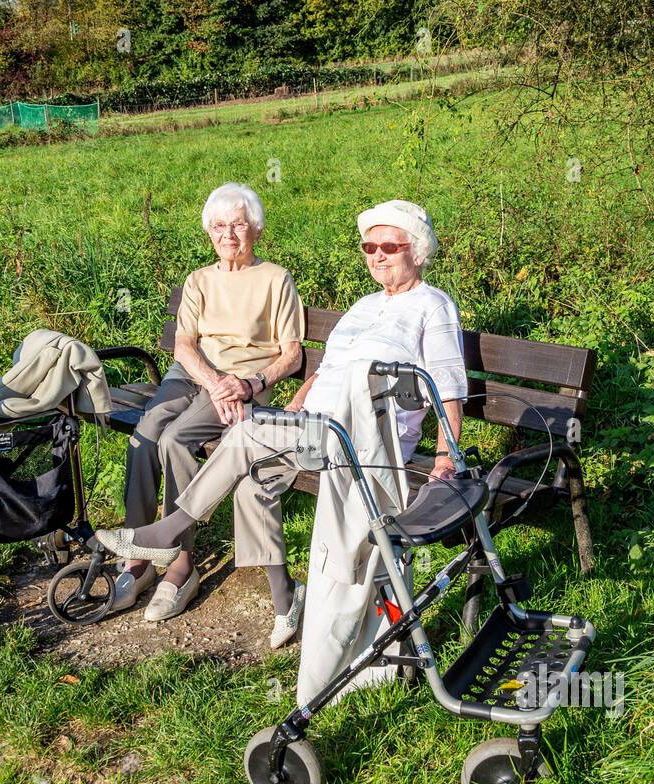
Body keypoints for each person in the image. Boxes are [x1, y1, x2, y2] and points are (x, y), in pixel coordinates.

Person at [97, 199, 467, 647]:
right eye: (369, 247)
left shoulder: (433, 306)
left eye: (389, 246)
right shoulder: (364, 306)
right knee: (254, 480)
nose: (377, 256)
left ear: (418, 251)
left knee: (246, 430)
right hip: (315, 426)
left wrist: (447, 455)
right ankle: (284, 598)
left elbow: (448, 385)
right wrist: (295, 405)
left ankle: (168, 532)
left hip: (364, 437)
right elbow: (324, 369)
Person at [111, 182, 305, 623]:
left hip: (243, 384)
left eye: (237, 224)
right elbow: (182, 346)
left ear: (255, 227)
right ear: (208, 232)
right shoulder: (199, 280)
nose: (228, 235)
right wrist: (214, 380)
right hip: (196, 376)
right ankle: (137, 559)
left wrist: (249, 384)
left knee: (176, 440)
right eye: (219, 226)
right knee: (144, 437)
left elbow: (291, 355)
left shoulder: (276, 278)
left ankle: (181, 562)